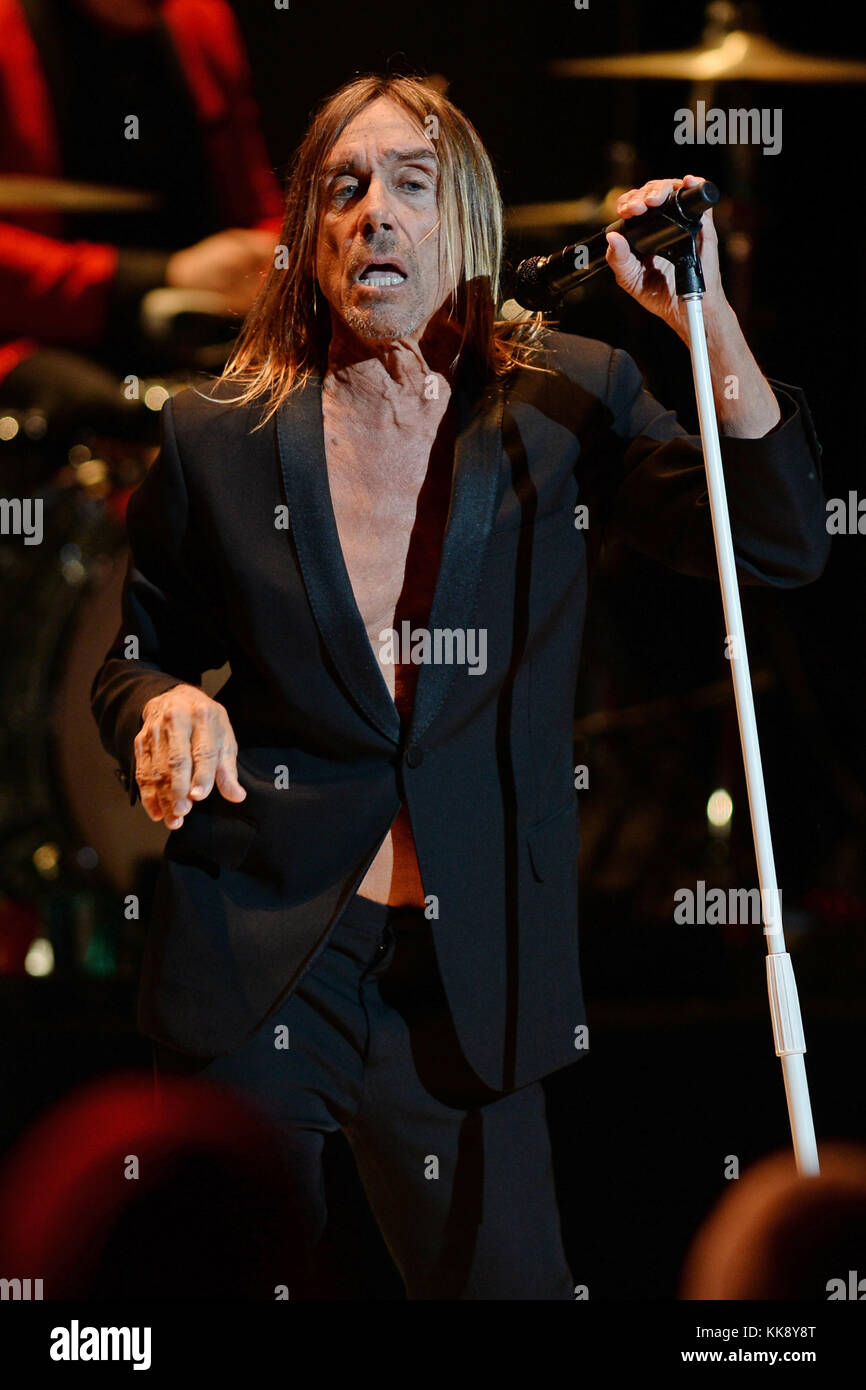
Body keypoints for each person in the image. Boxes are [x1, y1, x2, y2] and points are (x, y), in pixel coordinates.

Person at [90, 74, 831, 1300]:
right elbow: (132, 656)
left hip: (470, 976)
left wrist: (704, 325)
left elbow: (779, 544)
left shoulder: (561, 398)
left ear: (465, 224)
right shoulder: (215, 434)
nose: (375, 212)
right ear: (306, 233)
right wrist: (165, 703)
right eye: (345, 185)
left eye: (411, 185)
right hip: (264, 950)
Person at [0, 0, 281, 431]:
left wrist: (271, 261)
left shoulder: (200, 17)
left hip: (195, 326)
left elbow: (254, 199)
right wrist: (164, 275)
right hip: (41, 339)